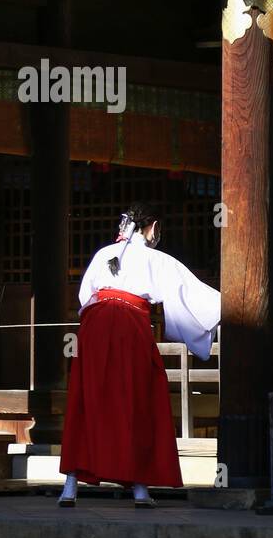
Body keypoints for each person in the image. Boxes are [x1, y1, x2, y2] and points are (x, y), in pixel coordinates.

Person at [58, 202, 221, 508]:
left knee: (86, 400)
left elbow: (84, 297)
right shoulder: (153, 258)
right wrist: (228, 308)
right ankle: (139, 488)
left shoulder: (102, 255)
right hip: (129, 327)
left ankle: (69, 486)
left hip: (93, 328)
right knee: (137, 400)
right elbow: (188, 291)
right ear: (153, 227)